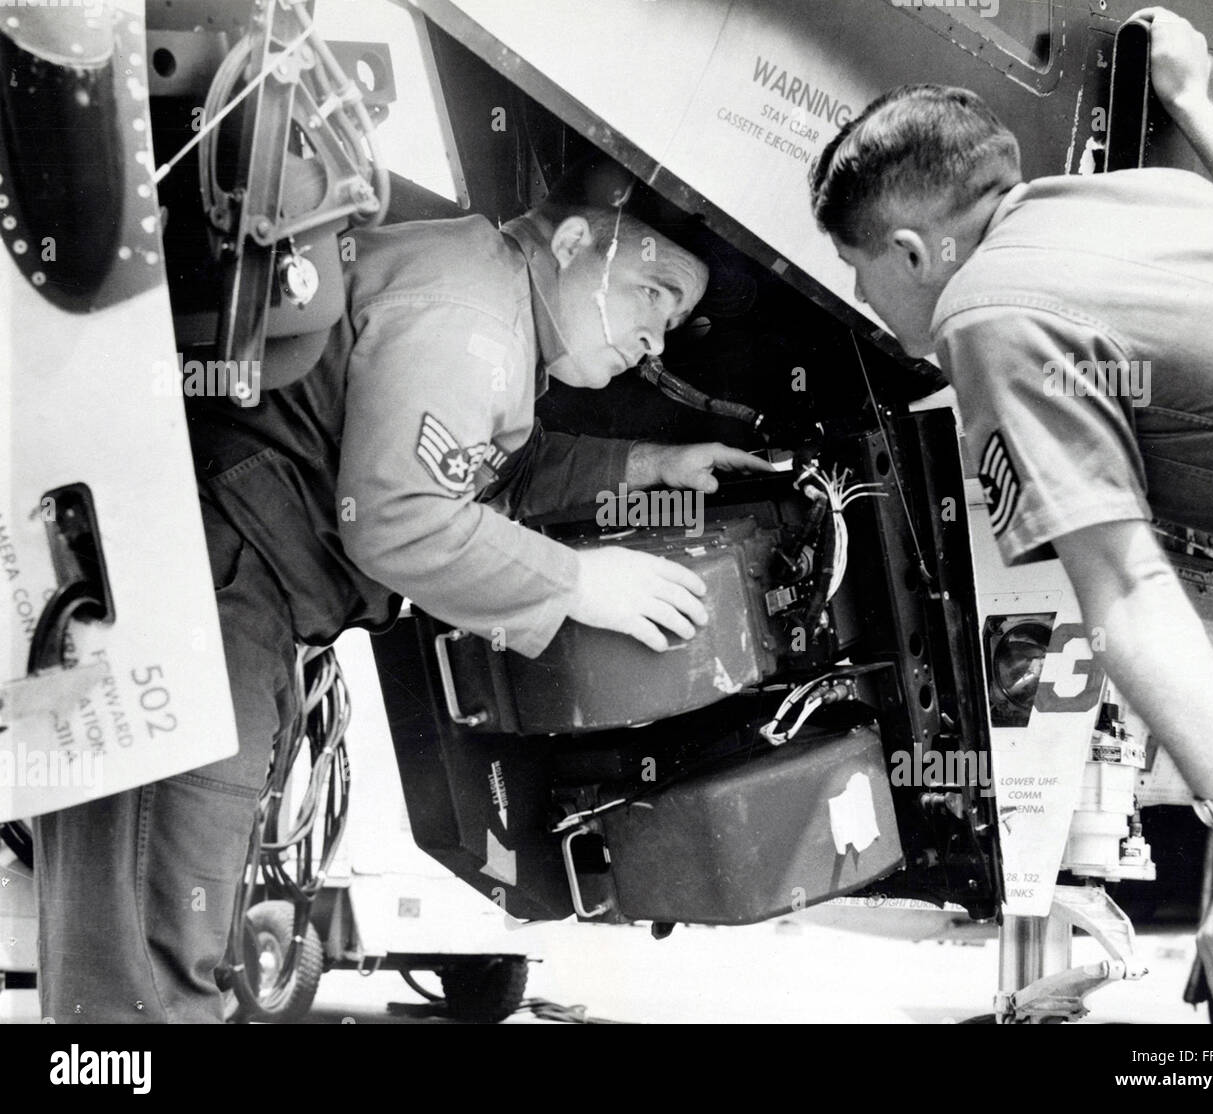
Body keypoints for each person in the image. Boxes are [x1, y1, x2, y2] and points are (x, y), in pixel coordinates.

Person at [33, 161, 771, 1023]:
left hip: (223, 595)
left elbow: (493, 466)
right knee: (144, 977)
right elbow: (399, 517)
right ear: (573, 242)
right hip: (203, 598)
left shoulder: (486, 305)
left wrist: (652, 466)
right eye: (654, 292)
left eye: (674, 322)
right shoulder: (468, 315)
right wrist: (578, 583)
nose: (657, 339)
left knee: (154, 949)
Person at [810, 7, 1213, 1023]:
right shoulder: (1137, 200)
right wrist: (1198, 105)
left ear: (909, 250)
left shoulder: (989, 312)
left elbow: (1123, 586)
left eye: (856, 271)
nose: (864, 299)